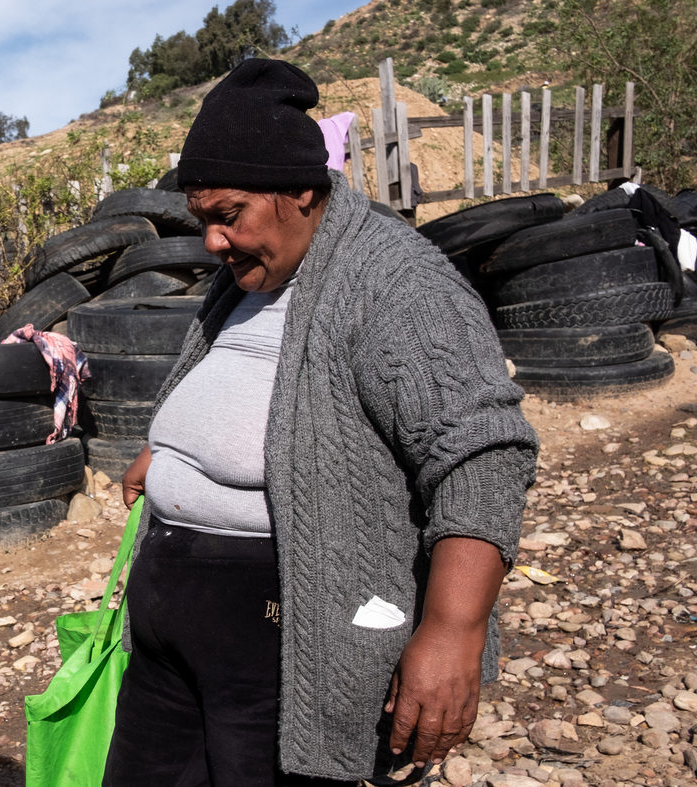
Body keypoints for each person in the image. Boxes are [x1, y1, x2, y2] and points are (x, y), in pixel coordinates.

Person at [105, 59, 537, 787]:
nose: (211, 241)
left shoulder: (395, 286)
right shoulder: (247, 272)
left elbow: (482, 455)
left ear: (301, 190)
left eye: (228, 214)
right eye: (201, 219)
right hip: (170, 640)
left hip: (282, 642)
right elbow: (232, 377)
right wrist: (170, 452)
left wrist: (453, 630)